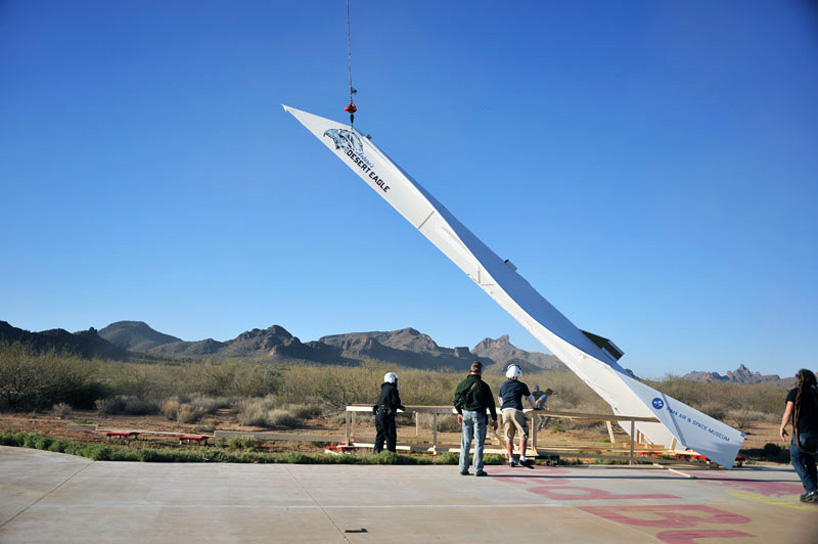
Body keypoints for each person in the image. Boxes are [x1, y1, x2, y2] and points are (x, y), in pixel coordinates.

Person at [779, 368, 818, 503]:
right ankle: (815, 489)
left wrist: (782, 427)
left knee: (796, 459)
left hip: (801, 434)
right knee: (809, 460)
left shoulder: (795, 393)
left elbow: (788, 412)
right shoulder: (816, 394)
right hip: (815, 435)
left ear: (799, 380)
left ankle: (811, 489)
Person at [453, 361, 498, 476]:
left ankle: (463, 468)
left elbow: (455, 401)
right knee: (479, 443)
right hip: (479, 415)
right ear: (481, 372)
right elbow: (491, 404)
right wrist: (495, 418)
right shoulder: (484, 386)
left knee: (465, 442)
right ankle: (478, 469)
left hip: (466, 414)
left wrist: (459, 413)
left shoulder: (463, 384)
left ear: (470, 370)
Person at [498, 364, 537, 468]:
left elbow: (500, 399)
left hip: (505, 411)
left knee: (508, 436)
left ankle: (511, 460)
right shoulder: (522, 385)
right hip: (516, 410)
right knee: (523, 434)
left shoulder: (503, 385)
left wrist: (504, 407)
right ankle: (522, 458)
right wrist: (535, 407)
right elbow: (530, 398)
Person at [373, 371, 405, 454]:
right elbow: (395, 401)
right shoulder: (392, 389)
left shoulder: (384, 389)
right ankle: (390, 454)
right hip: (387, 415)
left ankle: (376, 454)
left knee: (380, 435)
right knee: (390, 436)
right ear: (393, 379)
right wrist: (399, 406)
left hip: (379, 414)